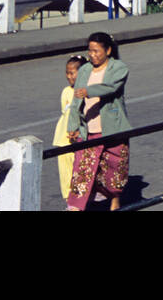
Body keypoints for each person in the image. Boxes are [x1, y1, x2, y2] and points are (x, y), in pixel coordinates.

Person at [66, 32, 130, 211]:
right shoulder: (85, 70)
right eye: (90, 51)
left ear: (108, 50)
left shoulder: (119, 68)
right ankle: (75, 206)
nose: (92, 55)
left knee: (115, 168)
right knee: (82, 169)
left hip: (112, 127)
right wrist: (73, 126)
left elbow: (111, 86)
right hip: (89, 129)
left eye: (96, 51)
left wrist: (89, 91)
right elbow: (76, 102)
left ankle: (114, 197)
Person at [53, 56, 85, 197]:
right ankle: (69, 200)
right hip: (63, 139)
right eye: (67, 73)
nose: (69, 76)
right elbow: (64, 112)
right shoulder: (66, 91)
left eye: (72, 73)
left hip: (79, 139)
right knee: (65, 173)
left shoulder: (85, 92)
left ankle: (79, 200)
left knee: (79, 172)